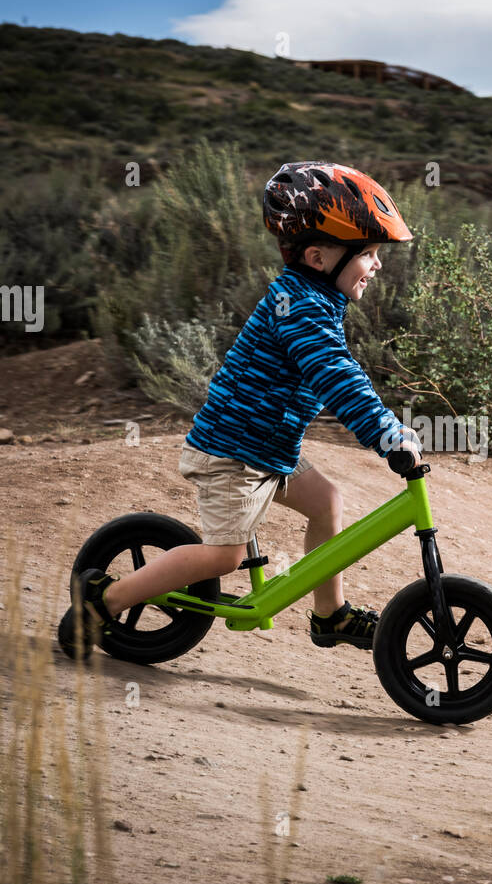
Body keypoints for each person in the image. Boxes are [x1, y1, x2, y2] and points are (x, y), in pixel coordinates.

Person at [58, 161, 421, 661]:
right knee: (225, 555)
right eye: (369, 254)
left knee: (327, 502)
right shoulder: (300, 307)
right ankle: (103, 602)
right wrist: (385, 433)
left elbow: (335, 367)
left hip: (268, 447)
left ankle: (329, 615)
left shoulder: (316, 298)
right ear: (318, 257)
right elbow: (334, 374)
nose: (378, 265)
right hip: (234, 452)